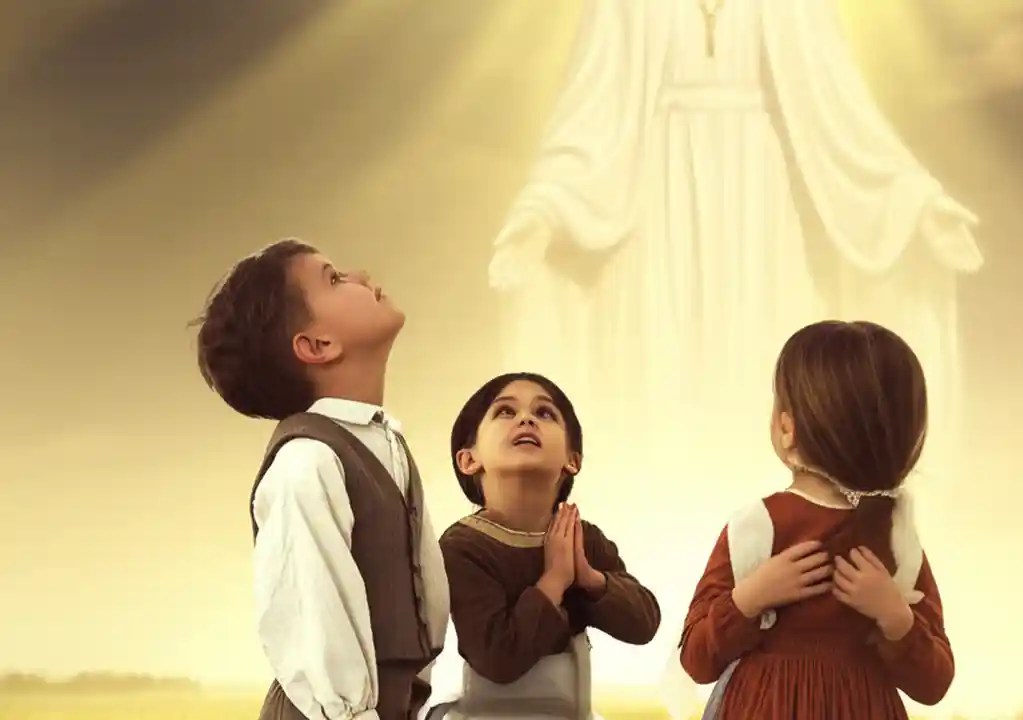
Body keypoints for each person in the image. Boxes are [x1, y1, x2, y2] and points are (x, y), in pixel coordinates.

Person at [486, 0, 982, 487]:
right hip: (658, 194)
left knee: (758, 330)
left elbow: (841, 111)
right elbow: (591, 112)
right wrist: (544, 207)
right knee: (664, 340)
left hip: (758, 191)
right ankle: (662, 494)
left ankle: (772, 508)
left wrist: (915, 201)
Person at [193, 239, 450, 720]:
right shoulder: (306, 464)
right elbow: (313, 629)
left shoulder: (386, 444)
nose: (361, 273)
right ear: (316, 345)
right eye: (333, 278)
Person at [673, 320, 954, 719]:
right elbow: (697, 656)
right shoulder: (759, 526)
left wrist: (895, 616)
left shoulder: (896, 537)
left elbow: (934, 681)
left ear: (787, 429)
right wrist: (751, 598)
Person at [427, 372, 662, 720]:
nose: (526, 418)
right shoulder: (463, 547)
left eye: (545, 413)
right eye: (505, 412)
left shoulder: (582, 539)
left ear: (573, 460)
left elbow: (644, 624)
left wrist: (590, 578)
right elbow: (497, 657)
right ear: (468, 459)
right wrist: (553, 581)